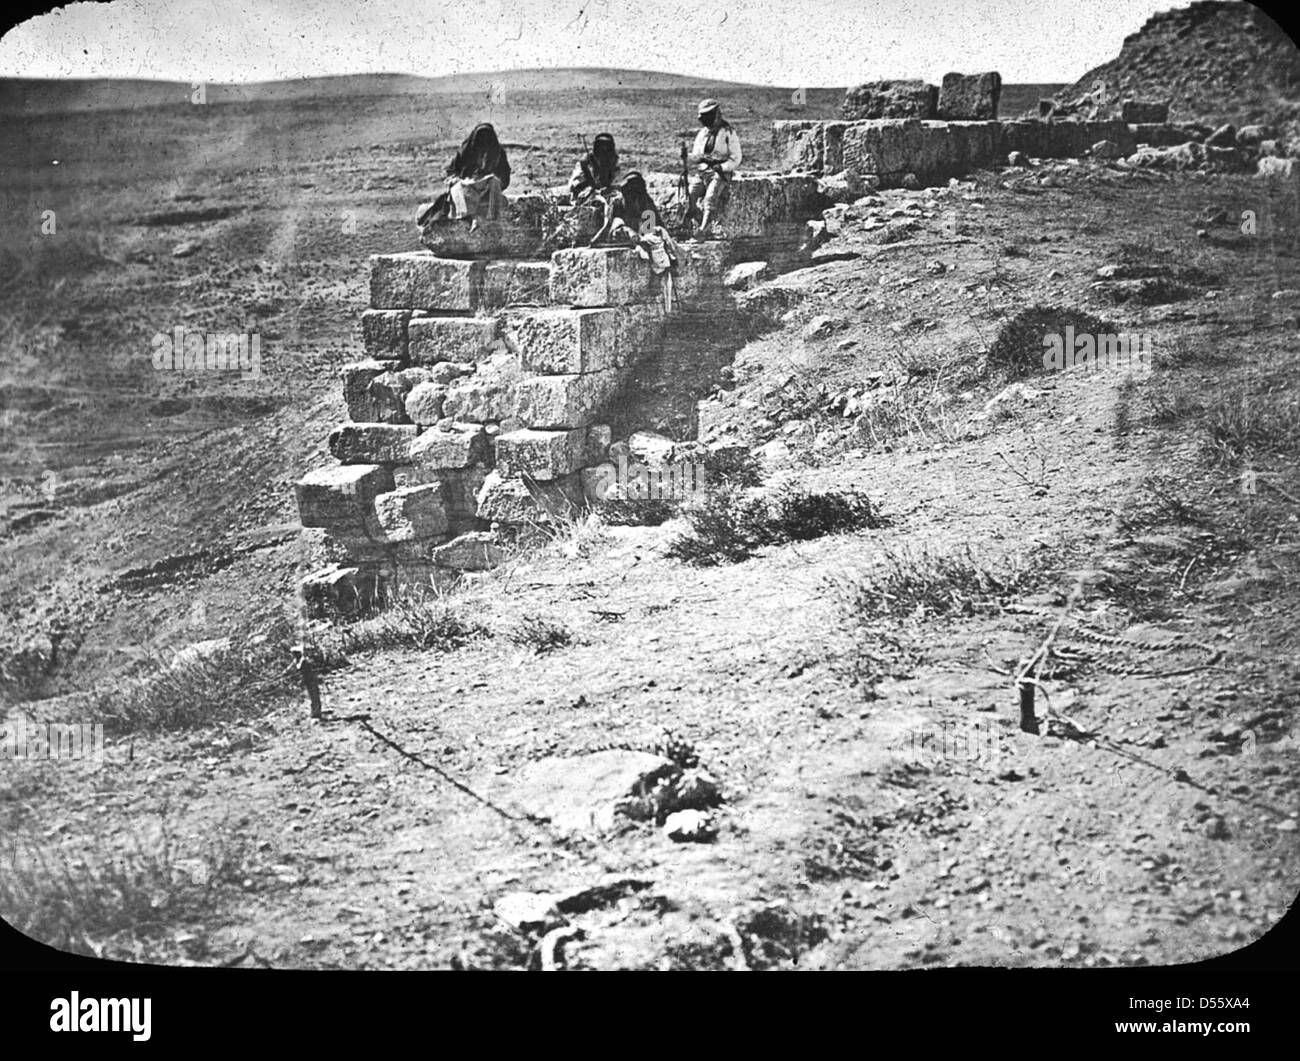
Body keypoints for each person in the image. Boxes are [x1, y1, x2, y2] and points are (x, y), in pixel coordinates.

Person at [591, 171, 681, 311]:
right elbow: (610, 225)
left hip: (641, 233)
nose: (631, 195)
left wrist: (647, 235)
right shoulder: (618, 202)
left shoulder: (645, 201)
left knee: (653, 239)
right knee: (622, 227)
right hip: (625, 233)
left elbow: (651, 226)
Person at [417, 123, 511, 229]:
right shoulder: (466, 152)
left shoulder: (498, 154)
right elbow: (452, 171)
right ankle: (467, 218)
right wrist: (457, 179)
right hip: (466, 190)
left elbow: (505, 178)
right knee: (458, 189)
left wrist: (491, 181)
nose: (484, 140)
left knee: (494, 182)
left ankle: (491, 219)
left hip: (487, 191)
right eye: (481, 137)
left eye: (487, 138)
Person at [685, 99, 741, 238]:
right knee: (690, 194)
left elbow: (736, 158)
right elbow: (697, 155)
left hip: (720, 173)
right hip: (703, 171)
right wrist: (689, 157)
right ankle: (698, 221)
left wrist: (721, 166)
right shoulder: (703, 133)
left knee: (710, 198)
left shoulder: (728, 132)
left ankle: (703, 230)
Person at [568, 132, 620, 205]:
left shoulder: (613, 159)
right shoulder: (586, 162)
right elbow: (575, 185)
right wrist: (590, 181)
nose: (604, 152)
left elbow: (614, 178)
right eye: (601, 149)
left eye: (607, 149)